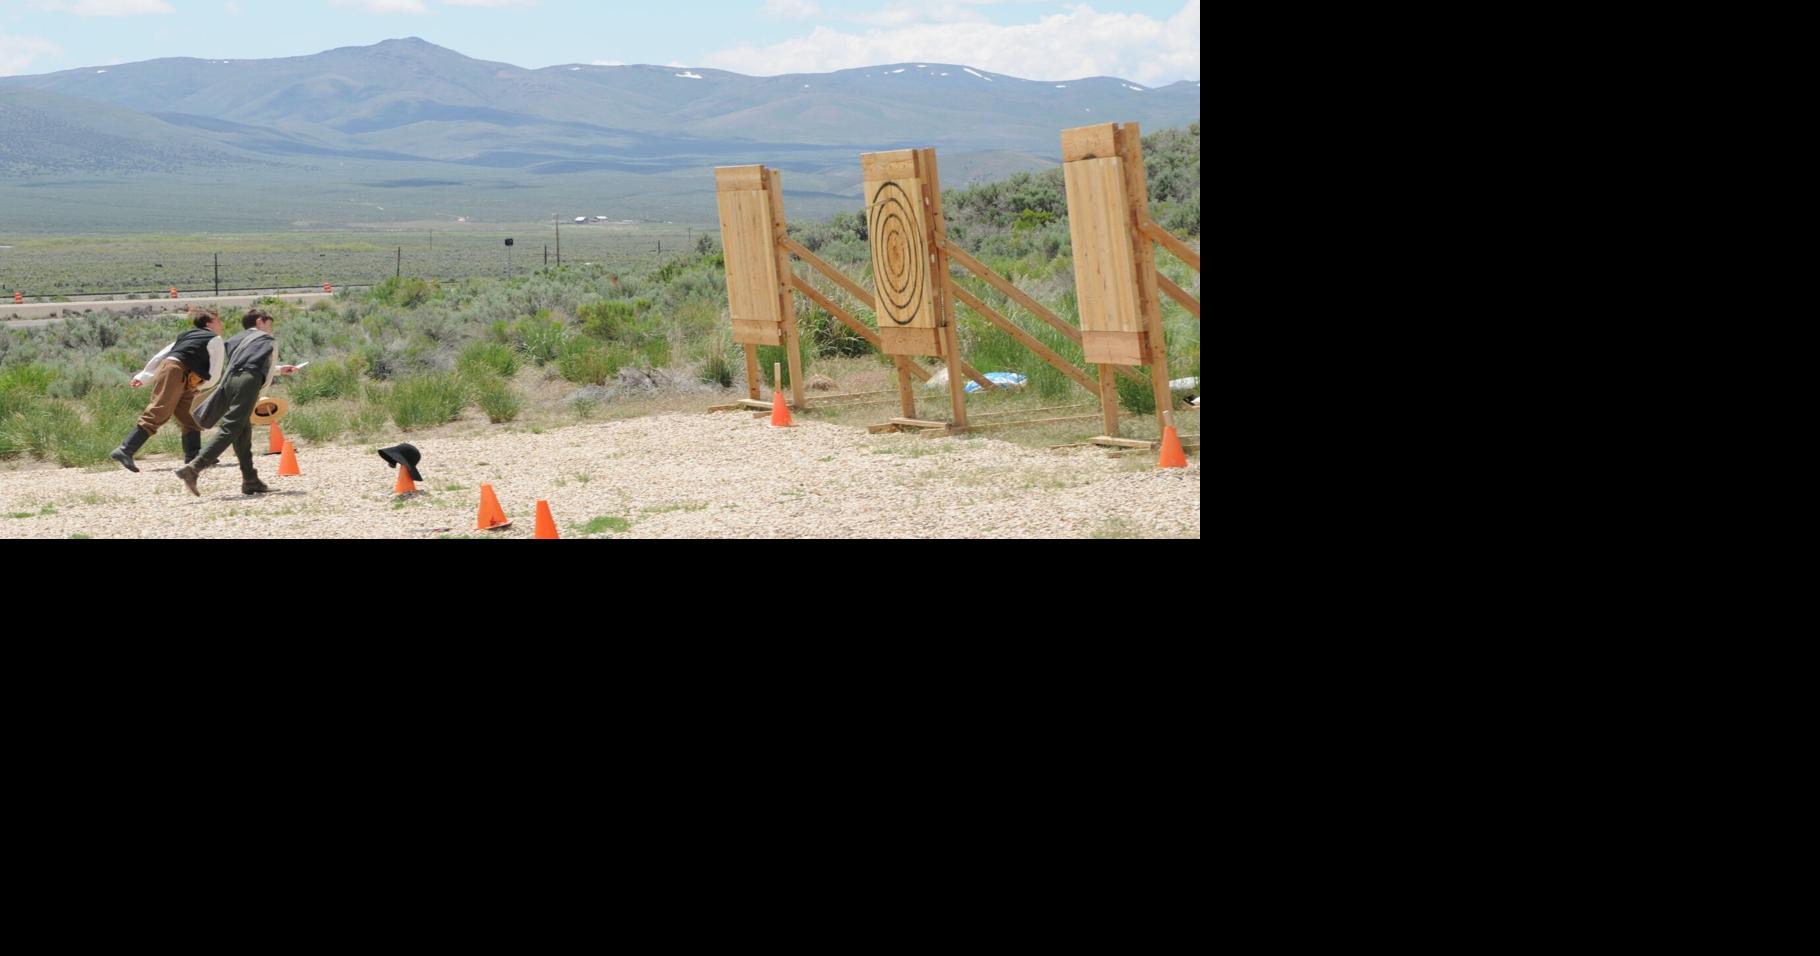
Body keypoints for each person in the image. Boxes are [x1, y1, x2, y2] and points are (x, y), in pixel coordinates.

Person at [175, 309, 299, 496]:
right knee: (232, 427)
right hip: (248, 381)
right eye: (269, 324)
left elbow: (242, 363)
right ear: (260, 321)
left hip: (230, 380)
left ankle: (250, 480)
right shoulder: (267, 340)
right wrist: (275, 373)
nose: (270, 329)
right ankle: (194, 468)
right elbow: (262, 368)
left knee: (242, 429)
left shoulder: (235, 339)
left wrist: (281, 370)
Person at [110, 309, 226, 473]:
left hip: (175, 370)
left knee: (187, 413)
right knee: (160, 409)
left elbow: (162, 355)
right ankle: (125, 449)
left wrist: (144, 376)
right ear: (209, 323)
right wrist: (199, 386)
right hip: (177, 372)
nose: (220, 324)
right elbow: (214, 372)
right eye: (218, 321)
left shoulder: (186, 335)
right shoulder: (215, 339)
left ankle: (193, 455)